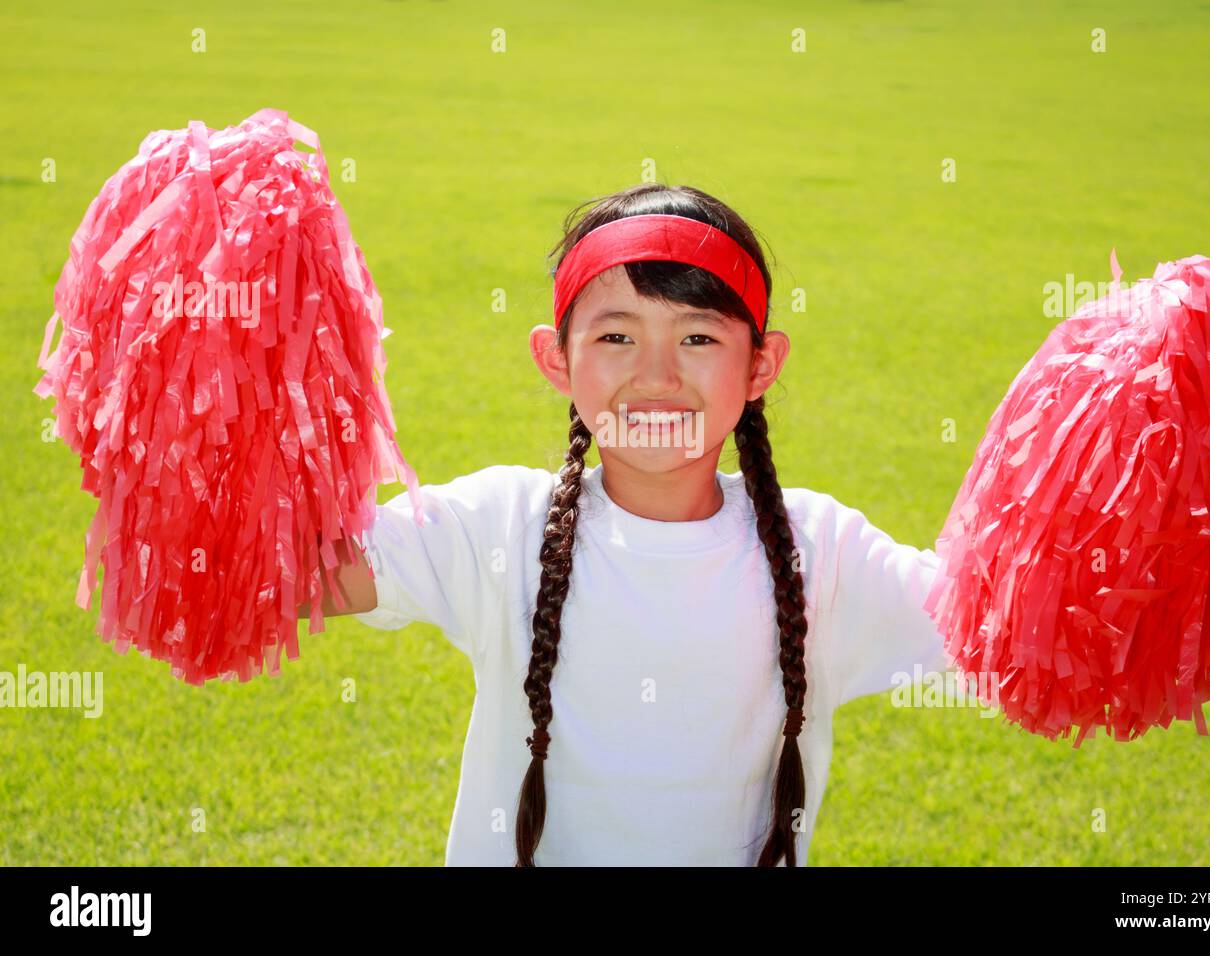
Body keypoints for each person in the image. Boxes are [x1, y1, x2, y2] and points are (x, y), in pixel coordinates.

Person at [302, 183, 953, 866]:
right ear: (556, 359)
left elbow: (1006, 627)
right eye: (616, 335)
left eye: (698, 336)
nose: (656, 376)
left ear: (761, 364)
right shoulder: (496, 529)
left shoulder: (822, 552)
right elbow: (279, 578)